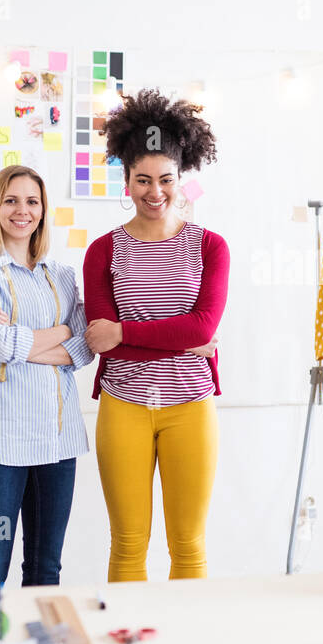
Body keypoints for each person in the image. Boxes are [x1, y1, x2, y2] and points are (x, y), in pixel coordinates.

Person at [83, 88, 229, 581]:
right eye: (142, 179)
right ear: (125, 181)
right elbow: (99, 340)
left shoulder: (210, 247)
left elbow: (202, 327)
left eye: (165, 179)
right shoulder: (103, 252)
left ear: (181, 179)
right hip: (123, 405)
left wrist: (126, 332)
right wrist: (182, 338)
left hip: (191, 406)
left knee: (188, 546)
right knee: (127, 544)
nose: (155, 191)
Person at [0, 165, 94, 588]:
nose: (22, 211)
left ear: (43, 210)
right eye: (11, 200)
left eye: (32, 201)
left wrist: (26, 341)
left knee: (45, 567)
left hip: (57, 439)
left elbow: (86, 347)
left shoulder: (63, 276)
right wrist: (63, 332)